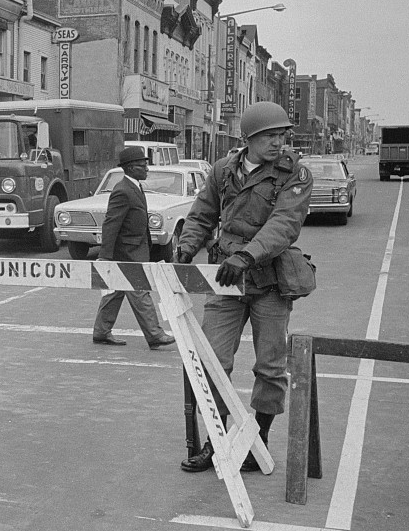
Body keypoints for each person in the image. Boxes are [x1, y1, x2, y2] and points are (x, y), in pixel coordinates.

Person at [175, 101, 312, 473]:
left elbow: (284, 224)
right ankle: (215, 441)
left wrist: (247, 256)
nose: (277, 142)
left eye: (281, 135)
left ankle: (258, 440)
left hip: (268, 279)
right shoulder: (223, 170)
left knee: (270, 366)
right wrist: (187, 247)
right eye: (268, 136)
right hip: (226, 280)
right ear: (247, 139)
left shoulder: (294, 174)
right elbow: (202, 213)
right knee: (212, 363)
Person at [92, 146, 176, 349]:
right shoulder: (122, 191)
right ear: (130, 168)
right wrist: (105, 256)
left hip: (136, 249)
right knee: (140, 290)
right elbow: (111, 223)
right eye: (142, 165)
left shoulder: (135, 187)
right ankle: (155, 334)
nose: (147, 169)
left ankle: (101, 332)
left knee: (116, 291)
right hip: (127, 252)